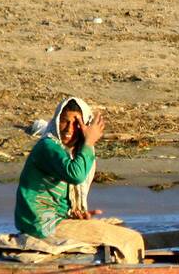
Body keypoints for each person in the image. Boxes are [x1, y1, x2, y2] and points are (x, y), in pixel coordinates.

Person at [14, 96, 144, 262]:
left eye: (76, 124)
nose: (69, 129)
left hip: (53, 221)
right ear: (55, 122)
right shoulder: (48, 146)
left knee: (119, 226)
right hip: (42, 225)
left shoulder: (68, 152)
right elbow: (76, 175)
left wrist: (73, 215)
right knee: (130, 240)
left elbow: (57, 198)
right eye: (64, 121)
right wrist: (89, 142)